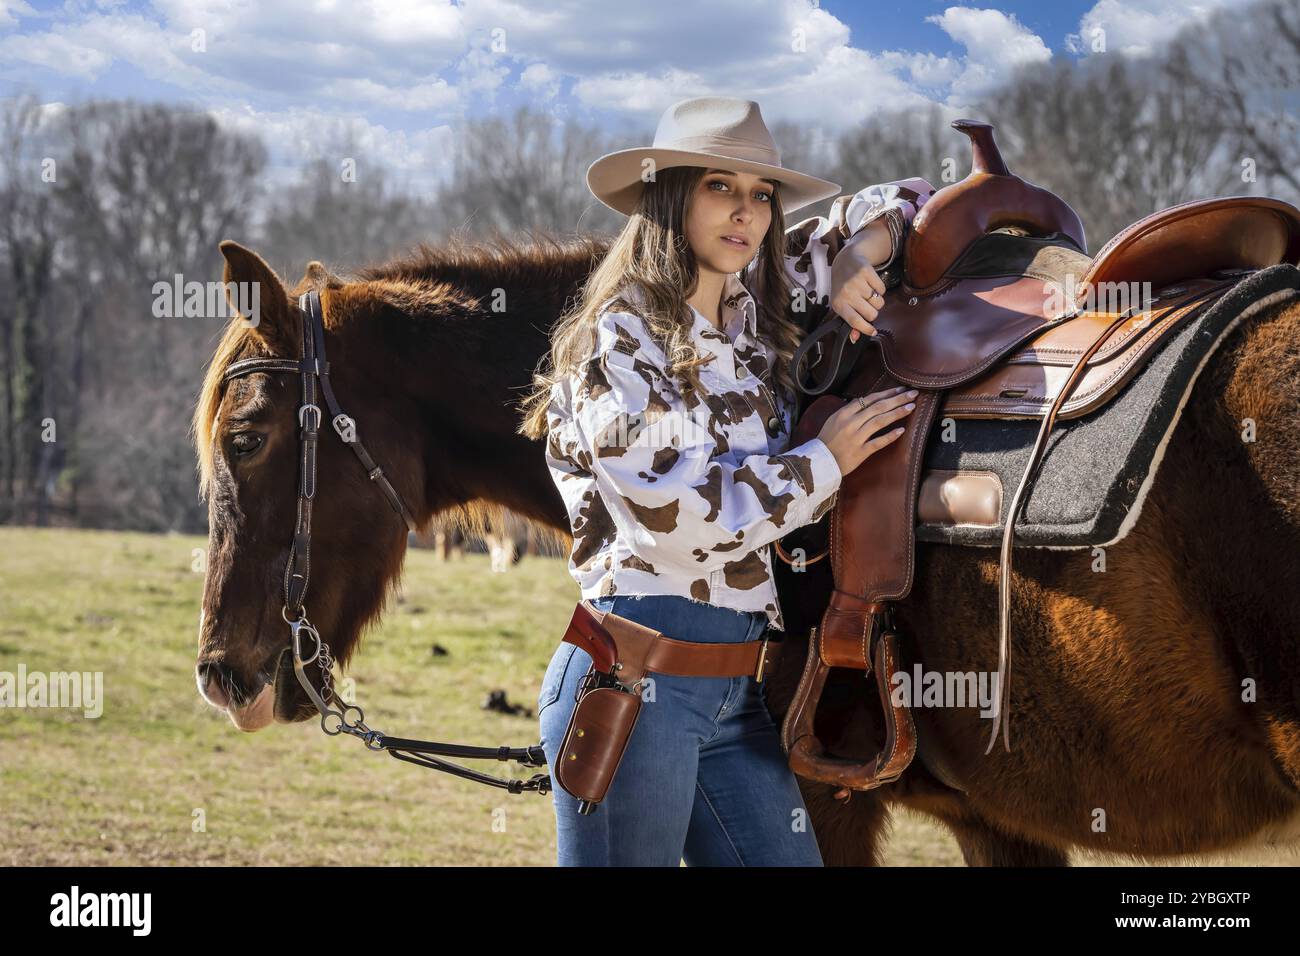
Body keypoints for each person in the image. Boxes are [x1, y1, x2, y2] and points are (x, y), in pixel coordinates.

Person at [517, 96, 932, 866]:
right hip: (633, 687)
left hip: (735, 695)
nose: (745, 213)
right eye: (719, 187)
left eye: (761, 195)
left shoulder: (758, 311)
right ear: (670, 197)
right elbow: (670, 519)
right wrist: (825, 461)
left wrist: (854, 256)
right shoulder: (620, 339)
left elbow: (918, 198)